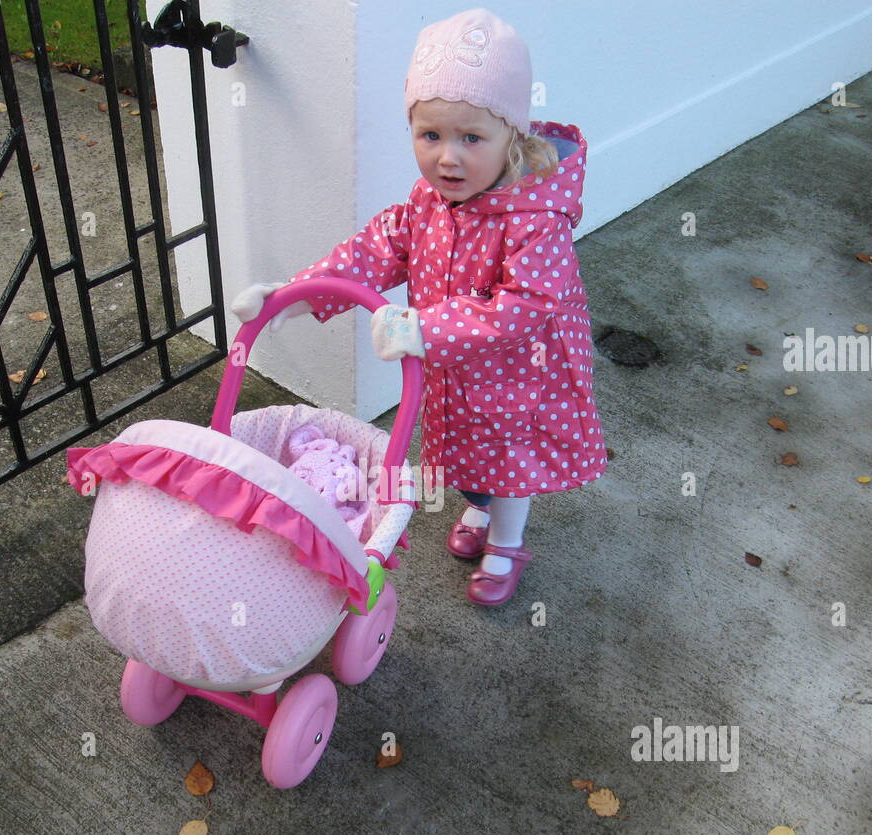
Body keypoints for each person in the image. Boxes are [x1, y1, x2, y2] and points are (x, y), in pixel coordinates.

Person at [231, 8, 608, 606]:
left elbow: (528, 303)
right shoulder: (429, 203)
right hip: (454, 364)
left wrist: (424, 327)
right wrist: (289, 297)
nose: (447, 158)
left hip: (523, 369)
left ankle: (507, 539)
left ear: (513, 134)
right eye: (430, 135)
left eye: (471, 138)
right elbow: (374, 250)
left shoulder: (538, 219)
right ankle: (481, 511)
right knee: (466, 445)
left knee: (509, 452)